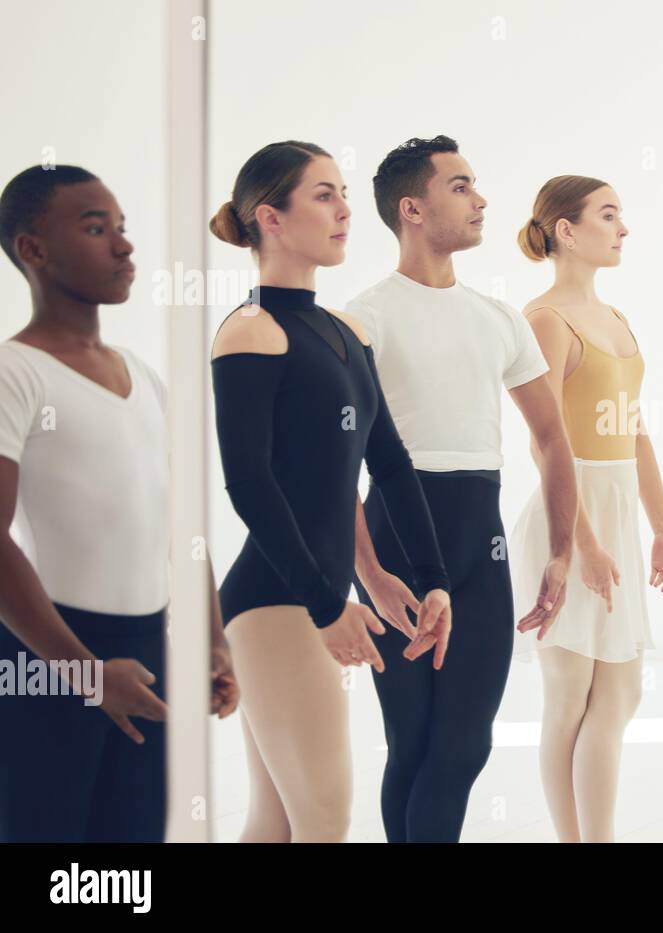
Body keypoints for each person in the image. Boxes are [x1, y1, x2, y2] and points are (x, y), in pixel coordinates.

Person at [210, 140, 450, 843]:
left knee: (280, 820)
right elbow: (249, 483)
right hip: (279, 598)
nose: (345, 209)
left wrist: (431, 577)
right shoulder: (250, 332)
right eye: (324, 194)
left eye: (343, 193)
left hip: (309, 597)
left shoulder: (343, 332)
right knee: (323, 816)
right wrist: (325, 602)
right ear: (271, 218)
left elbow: (393, 465)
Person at [346, 137, 578, 843]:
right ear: (412, 208)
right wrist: (369, 571)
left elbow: (551, 439)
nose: (480, 198)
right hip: (395, 539)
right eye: (461, 185)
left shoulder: (499, 318)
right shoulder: (364, 319)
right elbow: (331, 467)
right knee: (412, 743)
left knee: (465, 744)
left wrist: (561, 552)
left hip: (481, 540)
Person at [0, 164, 237, 842]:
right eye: (96, 228)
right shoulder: (14, 372)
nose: (124, 246)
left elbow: (178, 525)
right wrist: (82, 671)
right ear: (33, 250)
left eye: (123, 228)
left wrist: (213, 640)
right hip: (43, 651)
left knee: (126, 857)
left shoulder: (144, 376)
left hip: (144, 647)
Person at [508, 174, 663, 842]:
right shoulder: (544, 320)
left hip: (616, 519)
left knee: (622, 693)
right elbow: (543, 441)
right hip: (569, 519)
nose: (623, 228)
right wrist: (578, 542)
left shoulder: (617, 320)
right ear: (567, 231)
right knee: (569, 698)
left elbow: (633, 432)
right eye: (609, 215)